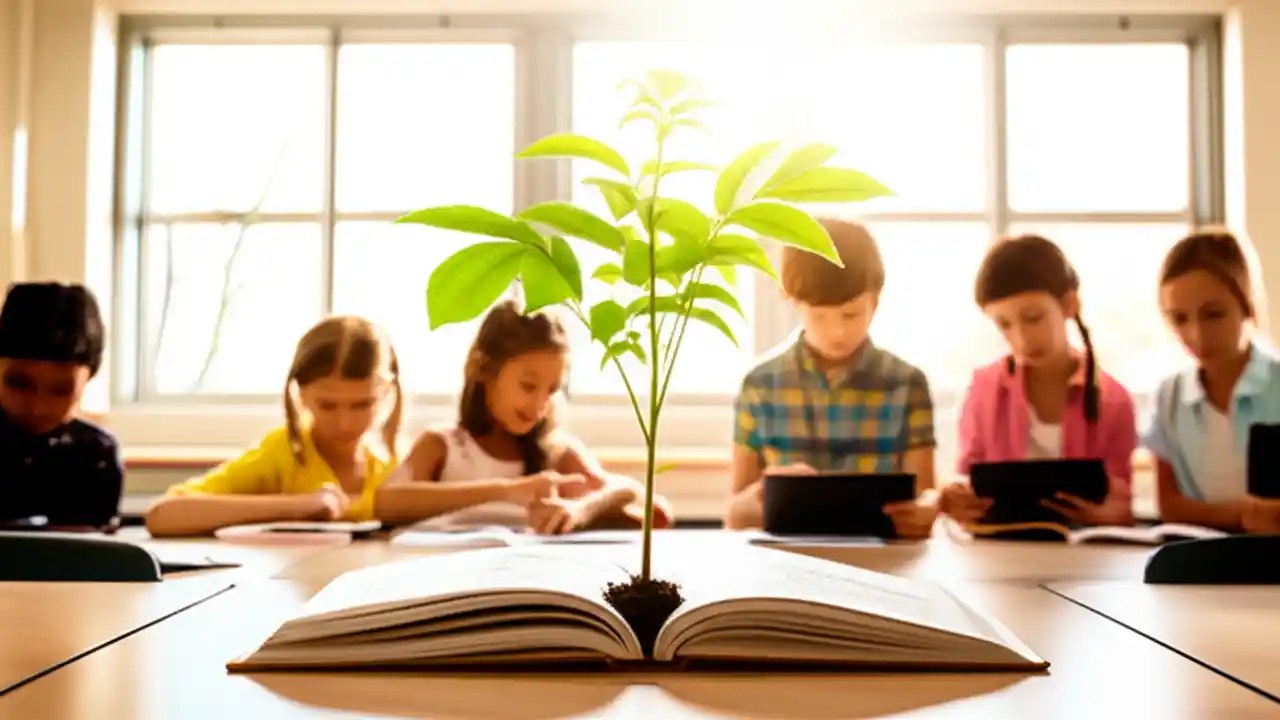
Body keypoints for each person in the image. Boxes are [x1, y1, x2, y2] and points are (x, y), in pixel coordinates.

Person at [378, 300, 673, 534]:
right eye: (529, 386)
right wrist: (507, 492)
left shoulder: (555, 453)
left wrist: (580, 510)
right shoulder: (443, 446)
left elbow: (643, 501)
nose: (540, 404)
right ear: (482, 369)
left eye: (552, 390)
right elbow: (386, 503)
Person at [726, 219, 938, 537]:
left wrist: (926, 512)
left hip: (882, 566)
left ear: (875, 300)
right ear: (795, 303)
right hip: (788, 564)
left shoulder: (907, 385)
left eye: (850, 314)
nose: (837, 331)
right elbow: (737, 512)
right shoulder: (760, 385)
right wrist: (754, 501)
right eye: (819, 315)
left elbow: (924, 496)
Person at [146, 316, 403, 537]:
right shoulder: (282, 454)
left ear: (386, 393)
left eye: (362, 405)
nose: (344, 422)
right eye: (327, 405)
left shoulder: (393, 467)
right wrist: (299, 506)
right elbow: (164, 514)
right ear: (300, 393)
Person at [942, 235, 1136, 526]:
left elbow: (1122, 502)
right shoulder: (982, 390)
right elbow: (968, 478)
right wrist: (956, 499)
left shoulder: (1115, 400)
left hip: (1084, 554)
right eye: (1004, 325)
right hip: (1000, 551)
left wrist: (1106, 515)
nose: (1021, 338)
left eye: (1033, 318)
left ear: (1069, 304)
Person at [1143, 229, 1280, 532]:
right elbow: (1171, 506)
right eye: (1179, 319)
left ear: (1247, 304)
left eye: (1214, 314)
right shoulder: (1168, 396)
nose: (1197, 335)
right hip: (1203, 560)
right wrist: (1245, 514)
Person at [0, 282, 123, 531]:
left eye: (61, 390)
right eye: (19, 384)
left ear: (88, 379)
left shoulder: (96, 455)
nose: (37, 407)